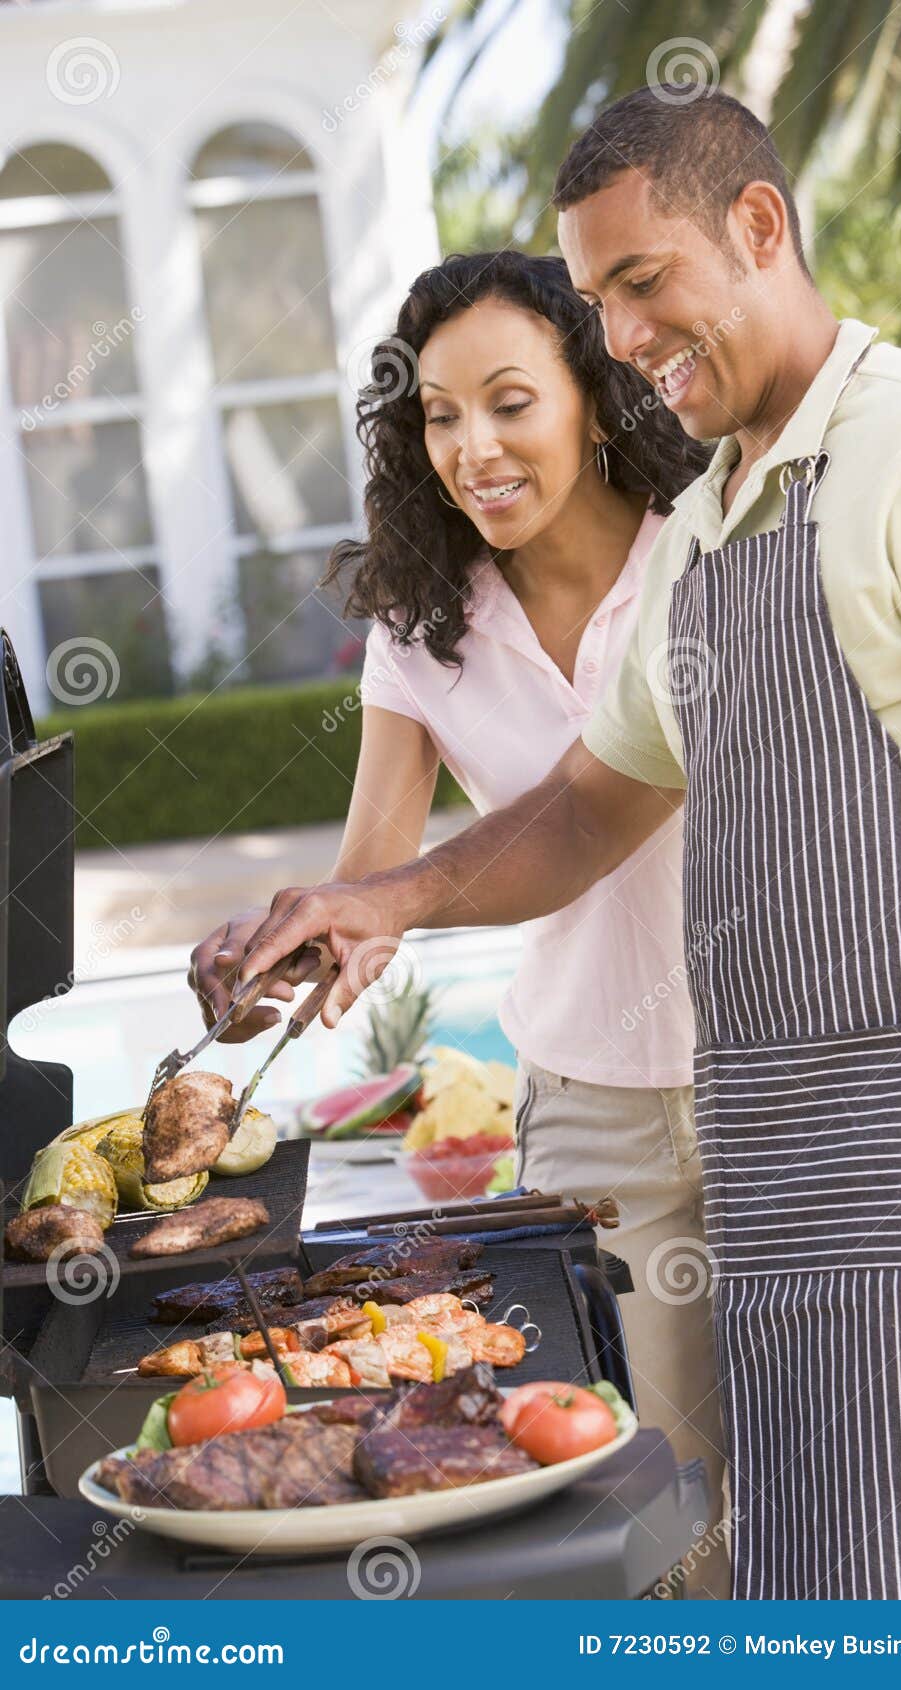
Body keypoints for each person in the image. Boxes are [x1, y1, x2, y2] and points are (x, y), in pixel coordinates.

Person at [236, 88, 901, 1600]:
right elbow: (588, 805)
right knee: (796, 1573)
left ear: (758, 227)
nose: (623, 334)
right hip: (785, 1190)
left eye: (641, 282)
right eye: (601, 295)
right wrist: (385, 901)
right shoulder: (711, 526)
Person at [191, 249, 731, 1588]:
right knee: (664, 1508)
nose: (473, 448)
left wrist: (379, 899)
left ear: (595, 401)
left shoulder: (710, 550)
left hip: (766, 1075)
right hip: (596, 1101)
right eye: (439, 415)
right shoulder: (423, 628)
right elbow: (379, 871)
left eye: (509, 402)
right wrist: (295, 947)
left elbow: (599, 810)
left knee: (829, 1458)